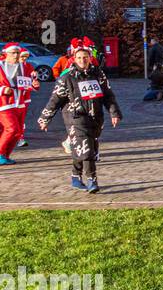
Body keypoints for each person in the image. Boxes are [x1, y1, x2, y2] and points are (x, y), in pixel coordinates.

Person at [36, 38, 120, 192]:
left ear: (90, 58)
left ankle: (75, 176)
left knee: (85, 147)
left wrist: (114, 112)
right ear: (74, 59)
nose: (83, 60)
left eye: (85, 57)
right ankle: (91, 180)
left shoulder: (98, 74)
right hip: (75, 117)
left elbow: (108, 95)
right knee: (86, 148)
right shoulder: (67, 78)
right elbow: (55, 100)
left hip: (95, 117)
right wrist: (45, 118)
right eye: (79, 58)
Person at [0, 43, 40, 164]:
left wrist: (35, 85)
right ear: (5, 54)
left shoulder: (25, 66)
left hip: (20, 103)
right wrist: (2, 90)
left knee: (18, 132)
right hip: (4, 104)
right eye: (13, 53)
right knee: (11, 128)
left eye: (18, 53)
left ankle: (5, 155)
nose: (16, 55)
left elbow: (30, 82)